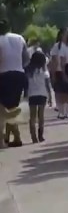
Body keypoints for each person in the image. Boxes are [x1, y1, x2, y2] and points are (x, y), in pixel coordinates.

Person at [0, 19, 27, 147]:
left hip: (3, 74)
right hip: (19, 74)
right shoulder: (20, 38)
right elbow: (26, 58)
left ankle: (2, 140)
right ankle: (16, 137)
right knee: (12, 107)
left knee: (3, 109)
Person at [24, 49, 52, 143]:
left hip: (32, 94)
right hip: (42, 94)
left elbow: (26, 84)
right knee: (41, 116)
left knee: (32, 116)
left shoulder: (28, 71)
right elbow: (47, 85)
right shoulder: (44, 71)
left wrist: (25, 94)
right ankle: (41, 135)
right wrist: (50, 97)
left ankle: (33, 137)